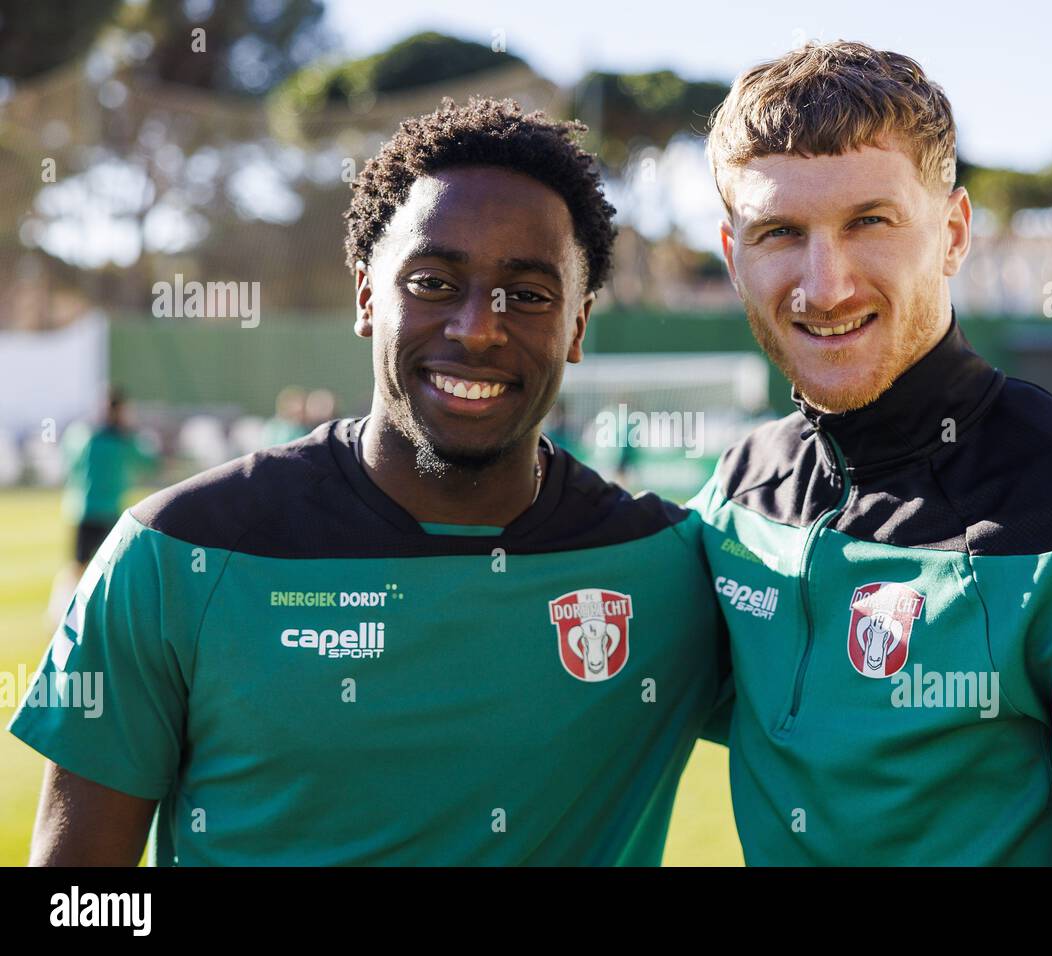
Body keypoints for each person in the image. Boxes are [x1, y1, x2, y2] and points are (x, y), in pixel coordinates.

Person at [10, 99, 728, 866]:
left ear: (578, 326)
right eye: (432, 282)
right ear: (366, 297)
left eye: (528, 295)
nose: (478, 327)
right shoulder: (174, 554)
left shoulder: (668, 567)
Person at [689, 41, 1052, 865]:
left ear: (952, 234)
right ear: (736, 259)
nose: (826, 284)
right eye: (780, 232)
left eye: (869, 222)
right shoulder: (737, 501)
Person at [45, 390, 158, 627]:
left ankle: (59, 616)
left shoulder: (82, 433)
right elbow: (149, 463)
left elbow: (68, 461)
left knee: (78, 566)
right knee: (110, 567)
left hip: (82, 509)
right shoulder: (122, 440)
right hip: (107, 511)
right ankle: (97, 617)